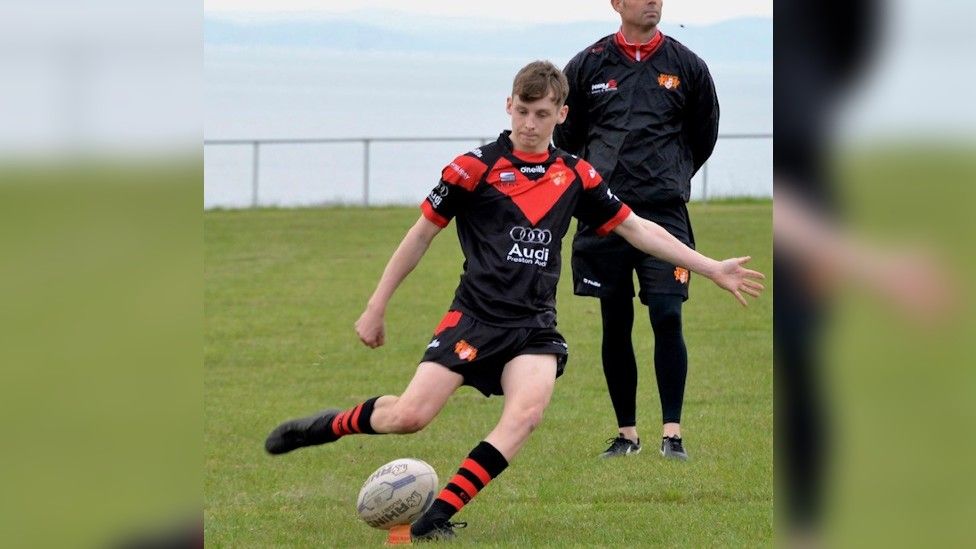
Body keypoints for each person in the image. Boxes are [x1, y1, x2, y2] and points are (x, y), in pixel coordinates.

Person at [264, 60, 763, 543]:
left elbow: (637, 228)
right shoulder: (471, 169)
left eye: (542, 114)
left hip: (533, 328)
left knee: (526, 414)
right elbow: (418, 237)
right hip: (474, 318)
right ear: (508, 106)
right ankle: (328, 425)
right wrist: (376, 305)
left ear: (561, 115)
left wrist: (711, 266)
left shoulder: (576, 175)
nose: (530, 123)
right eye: (523, 111)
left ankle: (435, 518)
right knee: (409, 417)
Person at [553, 0, 719, 460]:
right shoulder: (588, 65)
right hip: (605, 213)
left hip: (664, 212)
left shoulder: (687, 65)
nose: (654, 2)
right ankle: (626, 434)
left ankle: (673, 434)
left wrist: (672, 175)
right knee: (615, 320)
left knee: (667, 313)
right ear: (617, 4)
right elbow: (567, 136)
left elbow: (703, 134)